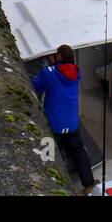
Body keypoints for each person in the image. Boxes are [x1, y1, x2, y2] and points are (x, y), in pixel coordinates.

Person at [31, 44, 96, 193]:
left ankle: (56, 184)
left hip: (54, 122)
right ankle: (88, 183)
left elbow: (35, 86)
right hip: (71, 121)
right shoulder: (76, 72)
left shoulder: (49, 73)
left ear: (58, 57)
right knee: (79, 150)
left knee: (52, 151)